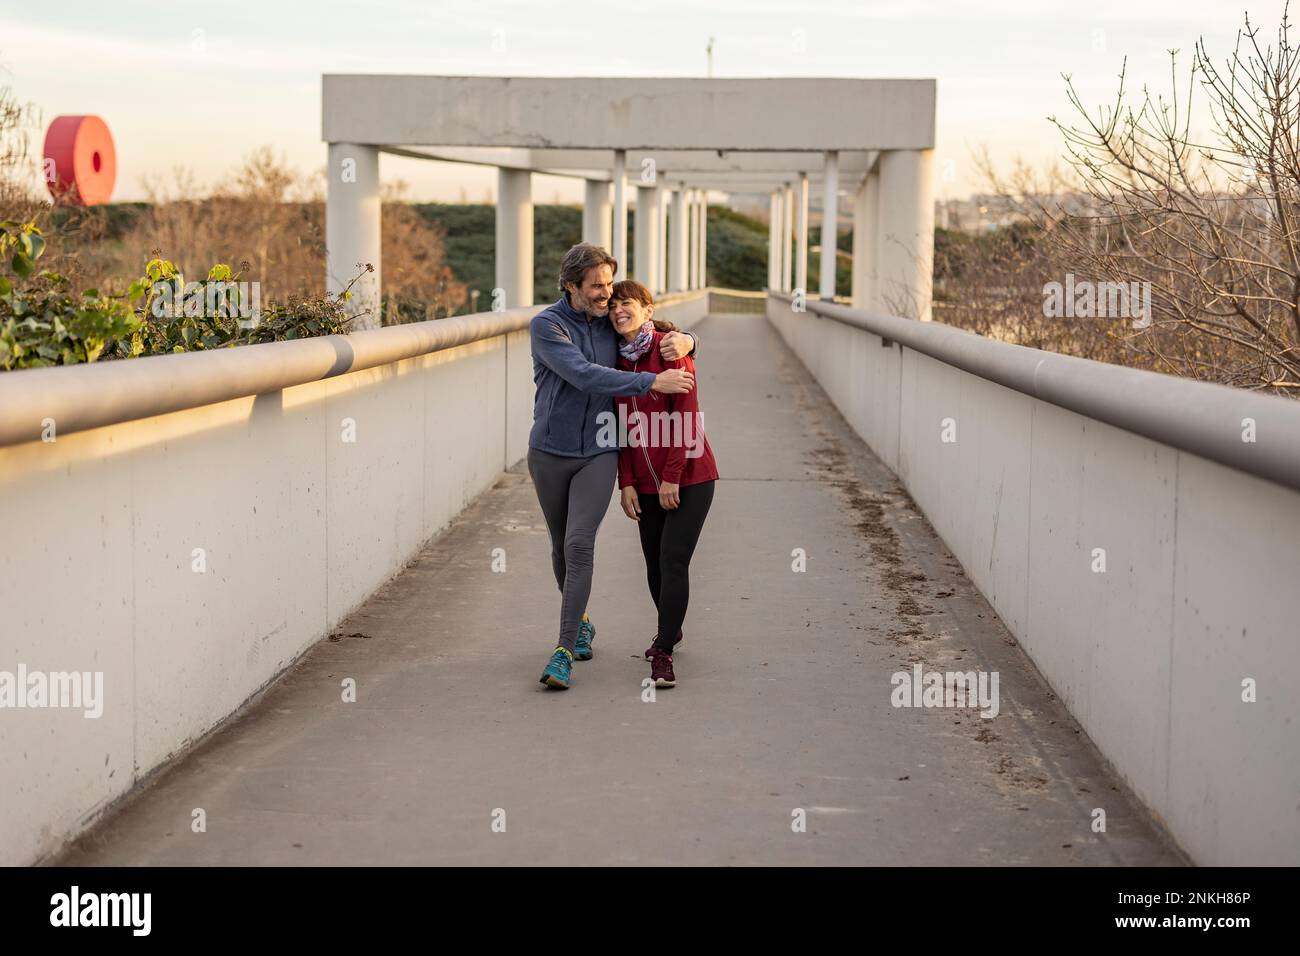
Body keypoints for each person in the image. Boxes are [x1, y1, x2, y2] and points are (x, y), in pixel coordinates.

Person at [528, 243, 699, 689]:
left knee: (580, 545)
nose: (607, 295)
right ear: (571, 286)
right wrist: (650, 381)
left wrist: (690, 340)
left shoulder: (609, 320)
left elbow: (656, 330)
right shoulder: (547, 326)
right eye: (597, 287)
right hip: (549, 451)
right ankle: (581, 621)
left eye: (609, 284)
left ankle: (563, 650)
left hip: (601, 451)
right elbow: (583, 374)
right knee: (560, 545)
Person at [610, 279, 719, 689]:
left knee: (673, 560)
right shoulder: (616, 363)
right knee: (654, 564)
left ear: (647, 310)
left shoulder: (670, 350)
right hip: (644, 483)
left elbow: (687, 417)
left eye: (629, 303)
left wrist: (673, 476)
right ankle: (671, 629)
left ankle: (663, 652)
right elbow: (620, 429)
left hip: (691, 477)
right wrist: (627, 483)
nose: (620, 310)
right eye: (613, 305)